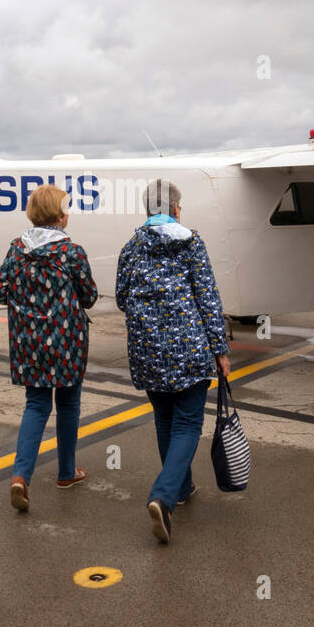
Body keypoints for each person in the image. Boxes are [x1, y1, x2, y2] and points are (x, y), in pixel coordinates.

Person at [115, 179, 231, 544]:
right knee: (187, 426)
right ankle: (163, 496)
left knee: (165, 421)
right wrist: (220, 350)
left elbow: (121, 296)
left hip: (148, 351)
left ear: (147, 209)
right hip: (189, 350)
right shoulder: (190, 242)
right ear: (176, 208)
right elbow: (207, 297)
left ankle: (180, 489)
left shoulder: (131, 247)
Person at [0, 184, 98, 512]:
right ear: (61, 215)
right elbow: (89, 297)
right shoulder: (71, 252)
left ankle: (21, 476)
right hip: (66, 343)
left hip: (28, 343)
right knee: (68, 405)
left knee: (36, 406)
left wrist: (25, 300)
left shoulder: (16, 249)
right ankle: (66, 472)